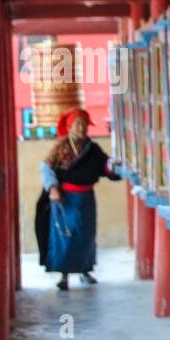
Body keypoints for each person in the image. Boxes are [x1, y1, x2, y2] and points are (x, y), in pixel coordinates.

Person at [35, 108, 121, 290]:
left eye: (84, 124)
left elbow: (105, 168)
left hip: (86, 198)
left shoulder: (93, 148)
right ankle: (63, 275)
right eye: (78, 124)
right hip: (65, 199)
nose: (82, 128)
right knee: (64, 235)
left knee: (86, 236)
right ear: (70, 127)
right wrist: (52, 188)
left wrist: (113, 166)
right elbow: (46, 167)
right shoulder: (61, 147)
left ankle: (84, 271)